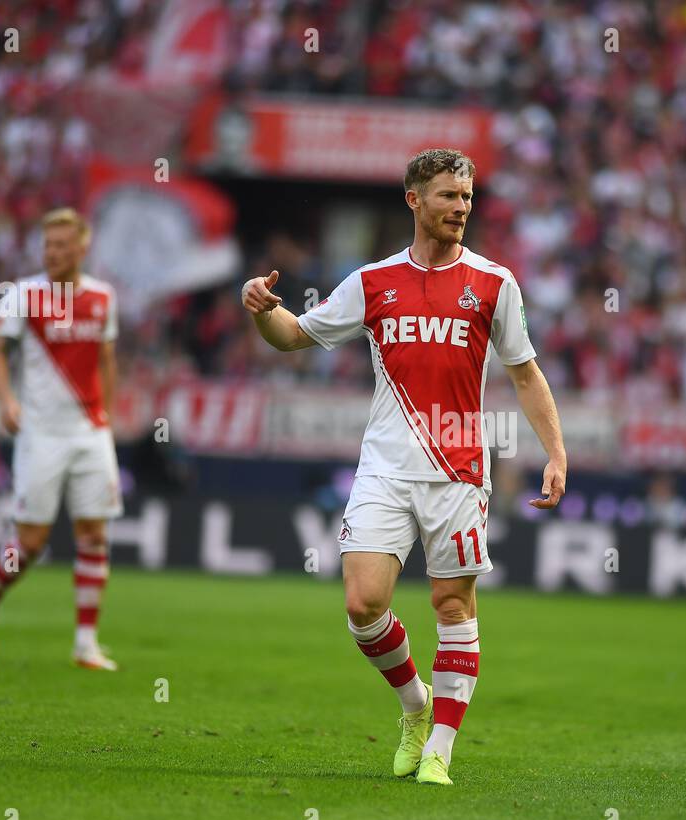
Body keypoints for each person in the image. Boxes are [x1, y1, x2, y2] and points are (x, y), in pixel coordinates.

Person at [240, 148, 567, 785]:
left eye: (468, 197)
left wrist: (555, 452)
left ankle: (439, 752)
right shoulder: (372, 282)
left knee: (452, 604)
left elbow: (525, 372)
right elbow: (293, 336)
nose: (461, 207)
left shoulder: (495, 284)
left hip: (460, 469)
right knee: (364, 604)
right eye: (448, 196)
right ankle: (416, 706)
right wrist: (260, 308)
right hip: (385, 467)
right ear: (414, 199)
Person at [0, 208, 122, 670]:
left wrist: (106, 413)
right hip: (41, 434)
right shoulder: (22, 295)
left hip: (90, 432)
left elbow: (107, 358)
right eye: (47, 245)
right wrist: (6, 401)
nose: (52, 253)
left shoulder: (102, 297)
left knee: (94, 535)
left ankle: (85, 642)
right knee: (30, 543)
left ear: (82, 247)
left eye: (61, 245)